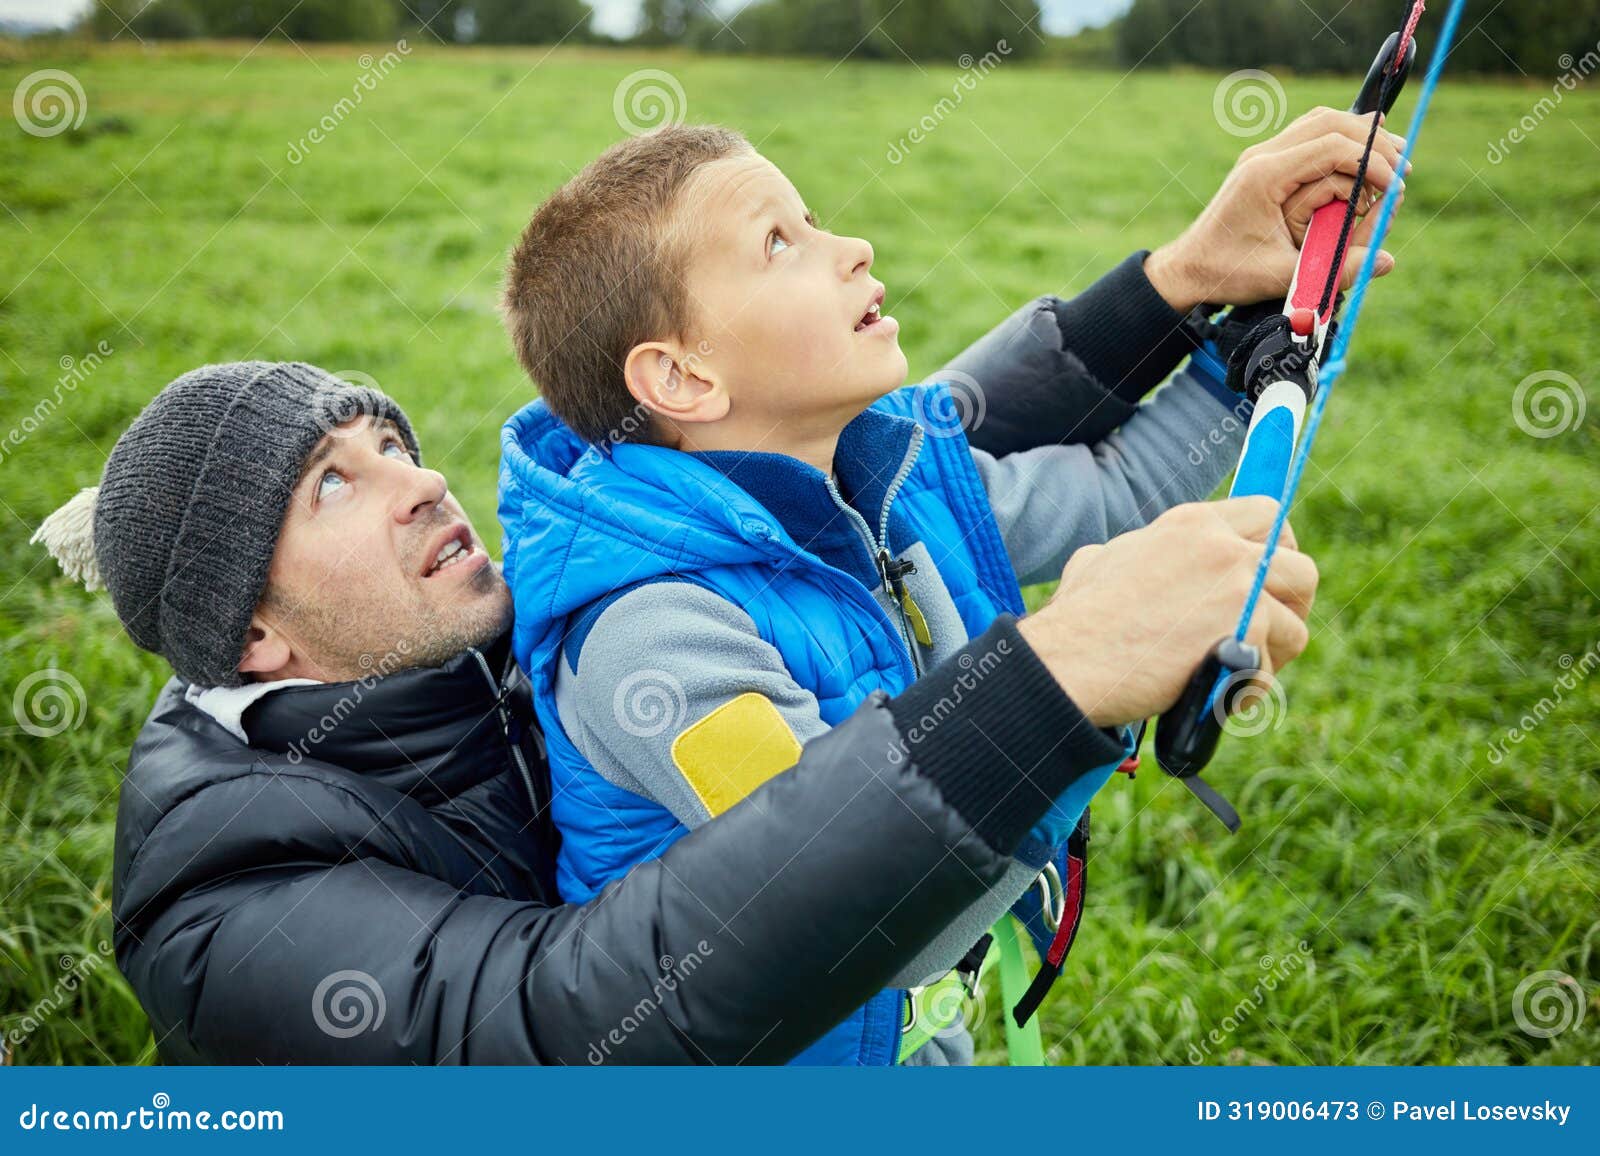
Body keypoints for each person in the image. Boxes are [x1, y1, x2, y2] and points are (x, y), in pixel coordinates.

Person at [33, 104, 1386, 1061]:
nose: (421, 483)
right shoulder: (239, 907)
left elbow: (921, 456)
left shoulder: (463, 640)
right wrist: (1065, 689)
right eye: (333, 484)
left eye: (395, 445)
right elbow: (571, 1029)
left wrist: (1207, 310)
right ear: (252, 635)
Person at [495, 120, 1396, 1063]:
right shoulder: (654, 640)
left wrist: (1259, 353)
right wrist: (1089, 668)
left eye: (814, 219)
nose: (853, 249)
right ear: (682, 376)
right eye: (779, 243)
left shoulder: (878, 486)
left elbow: (1113, 491)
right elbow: (884, 916)